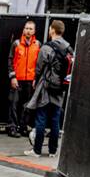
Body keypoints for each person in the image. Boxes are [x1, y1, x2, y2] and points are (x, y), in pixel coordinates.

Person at [23, 19, 73, 159]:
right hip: (60, 88)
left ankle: (37, 150)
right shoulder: (69, 48)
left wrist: (36, 80)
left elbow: (39, 67)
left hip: (46, 87)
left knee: (41, 118)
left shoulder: (46, 47)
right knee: (55, 120)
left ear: (52, 30)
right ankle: (52, 151)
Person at [7, 20, 40, 137]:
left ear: (34, 31)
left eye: (31, 29)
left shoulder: (37, 45)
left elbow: (38, 64)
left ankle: (23, 127)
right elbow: (10, 61)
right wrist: (13, 77)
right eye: (26, 28)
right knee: (13, 104)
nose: (28, 31)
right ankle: (12, 127)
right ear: (23, 30)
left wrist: (36, 78)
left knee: (27, 105)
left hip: (30, 80)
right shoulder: (16, 44)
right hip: (17, 79)